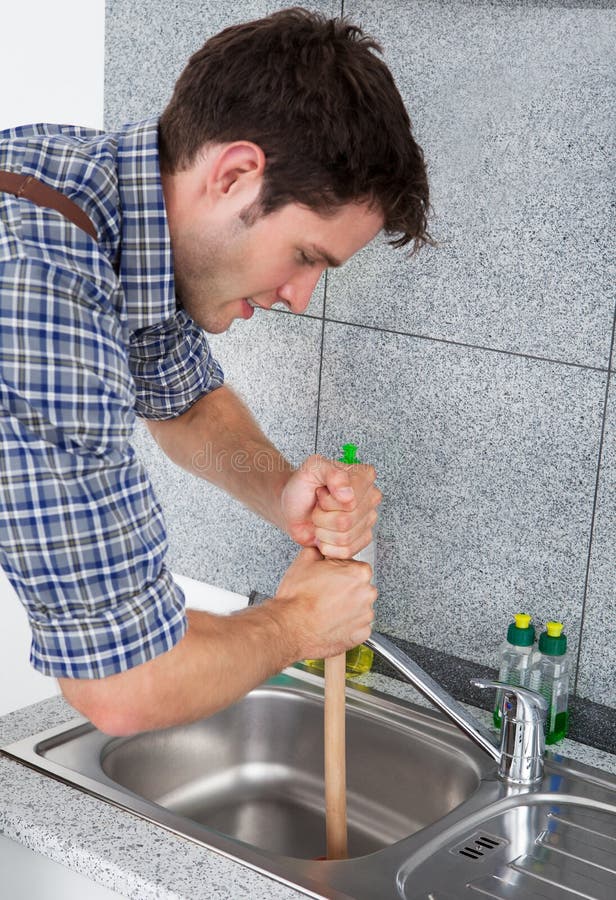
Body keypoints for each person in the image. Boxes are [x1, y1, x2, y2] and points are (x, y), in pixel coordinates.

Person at [0, 7, 431, 735]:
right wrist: (298, 624)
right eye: (306, 258)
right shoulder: (39, 284)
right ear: (234, 175)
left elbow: (186, 404)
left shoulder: (104, 203)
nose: (299, 299)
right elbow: (123, 685)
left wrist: (282, 492)